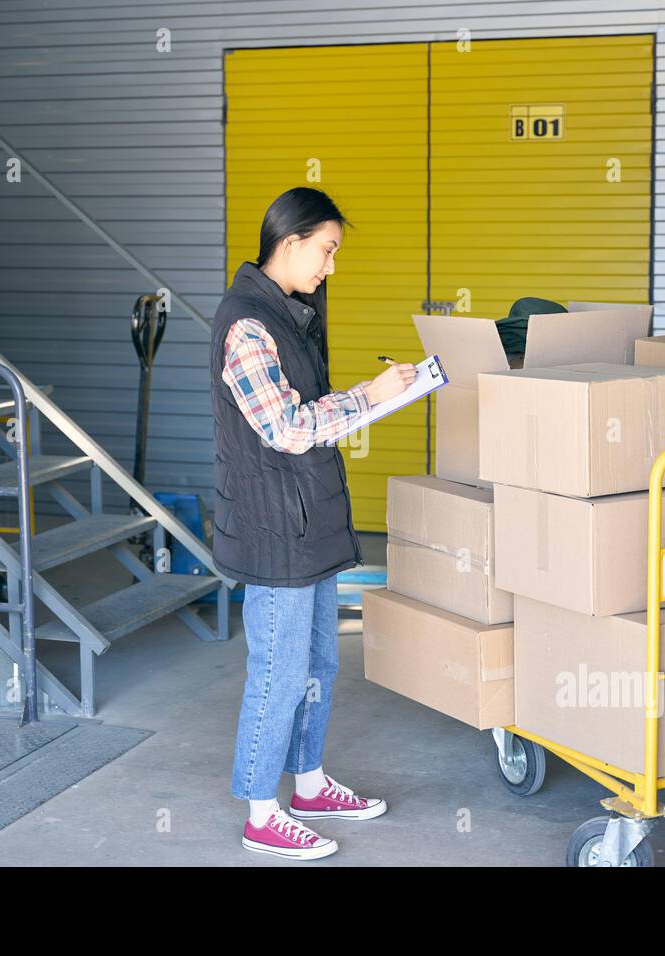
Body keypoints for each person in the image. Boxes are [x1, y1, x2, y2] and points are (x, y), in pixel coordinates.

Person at [209, 186, 416, 860]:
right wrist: (369, 397)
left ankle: (308, 782)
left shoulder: (294, 312)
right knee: (279, 667)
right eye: (326, 250)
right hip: (275, 531)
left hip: (312, 521)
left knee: (319, 663)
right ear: (289, 241)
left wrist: (379, 398)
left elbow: (309, 407)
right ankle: (261, 812)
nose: (331, 265)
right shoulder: (247, 324)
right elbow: (286, 427)